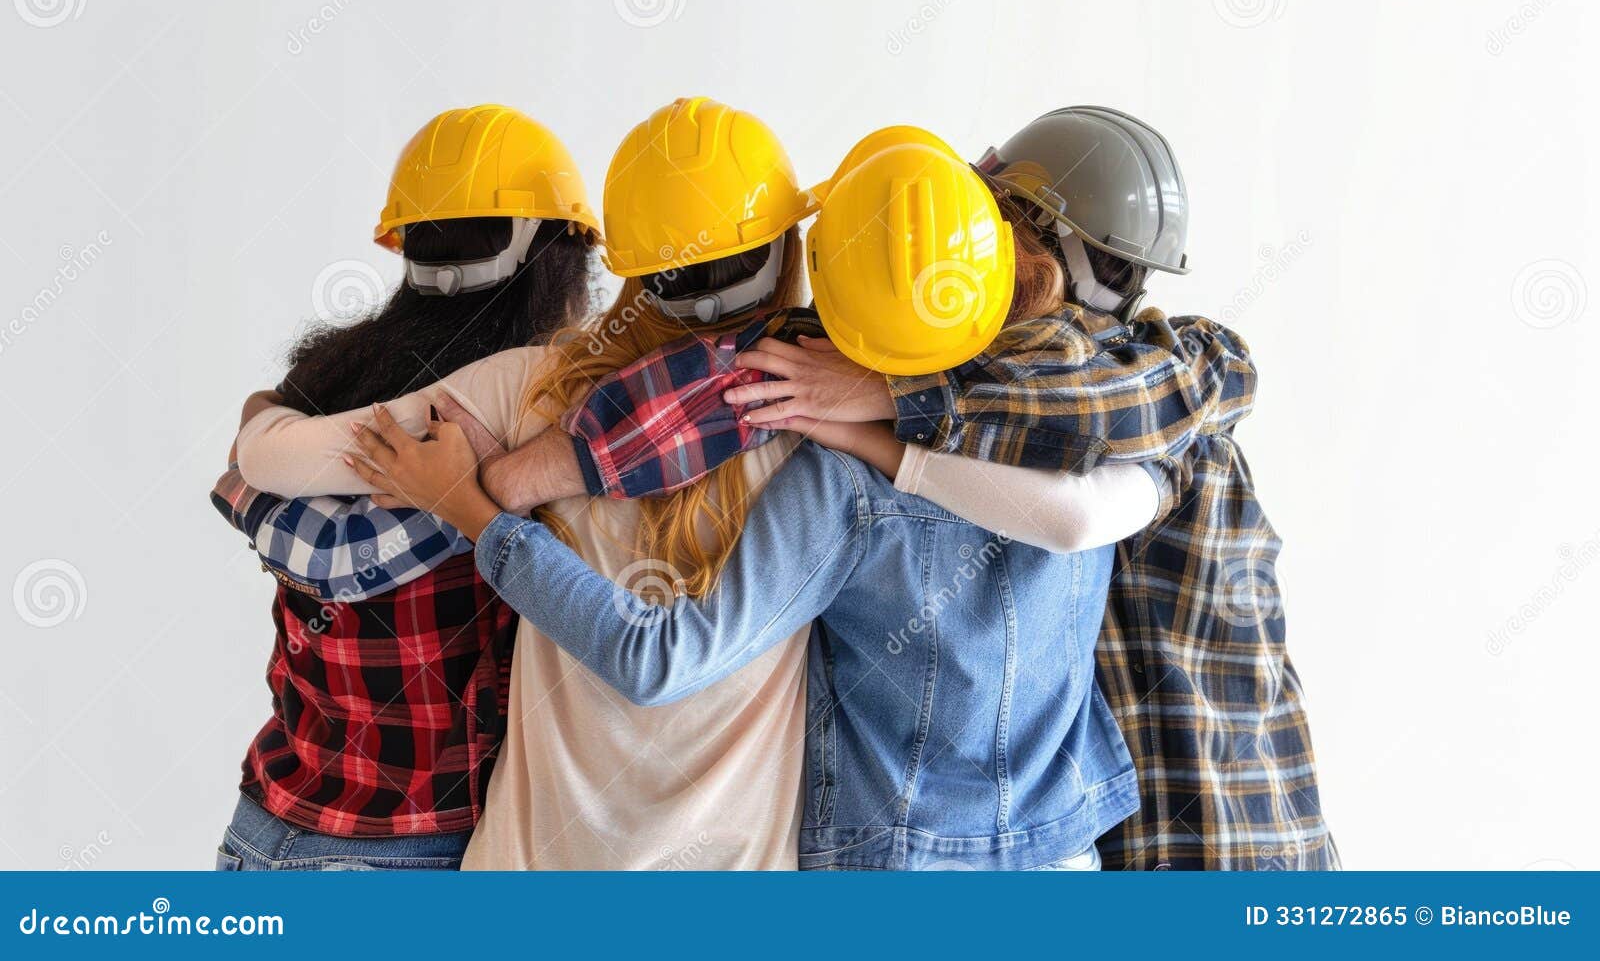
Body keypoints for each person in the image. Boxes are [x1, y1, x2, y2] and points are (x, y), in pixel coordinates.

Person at [231, 119, 1190, 869]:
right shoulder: (1110, 422)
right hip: (940, 861)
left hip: (499, 864)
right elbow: (1079, 514)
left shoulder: (549, 391)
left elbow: (280, 472)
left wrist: (467, 493)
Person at [650, 107, 1336, 870]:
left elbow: (1075, 509)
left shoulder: (1150, 396)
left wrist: (883, 405)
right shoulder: (1056, 387)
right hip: (1121, 832)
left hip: (1213, 829)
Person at [210, 104, 598, 870]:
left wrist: (249, 466)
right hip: (401, 852)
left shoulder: (326, 389)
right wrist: (478, 494)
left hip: (265, 826)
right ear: (558, 259)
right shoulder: (530, 417)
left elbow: (254, 482)